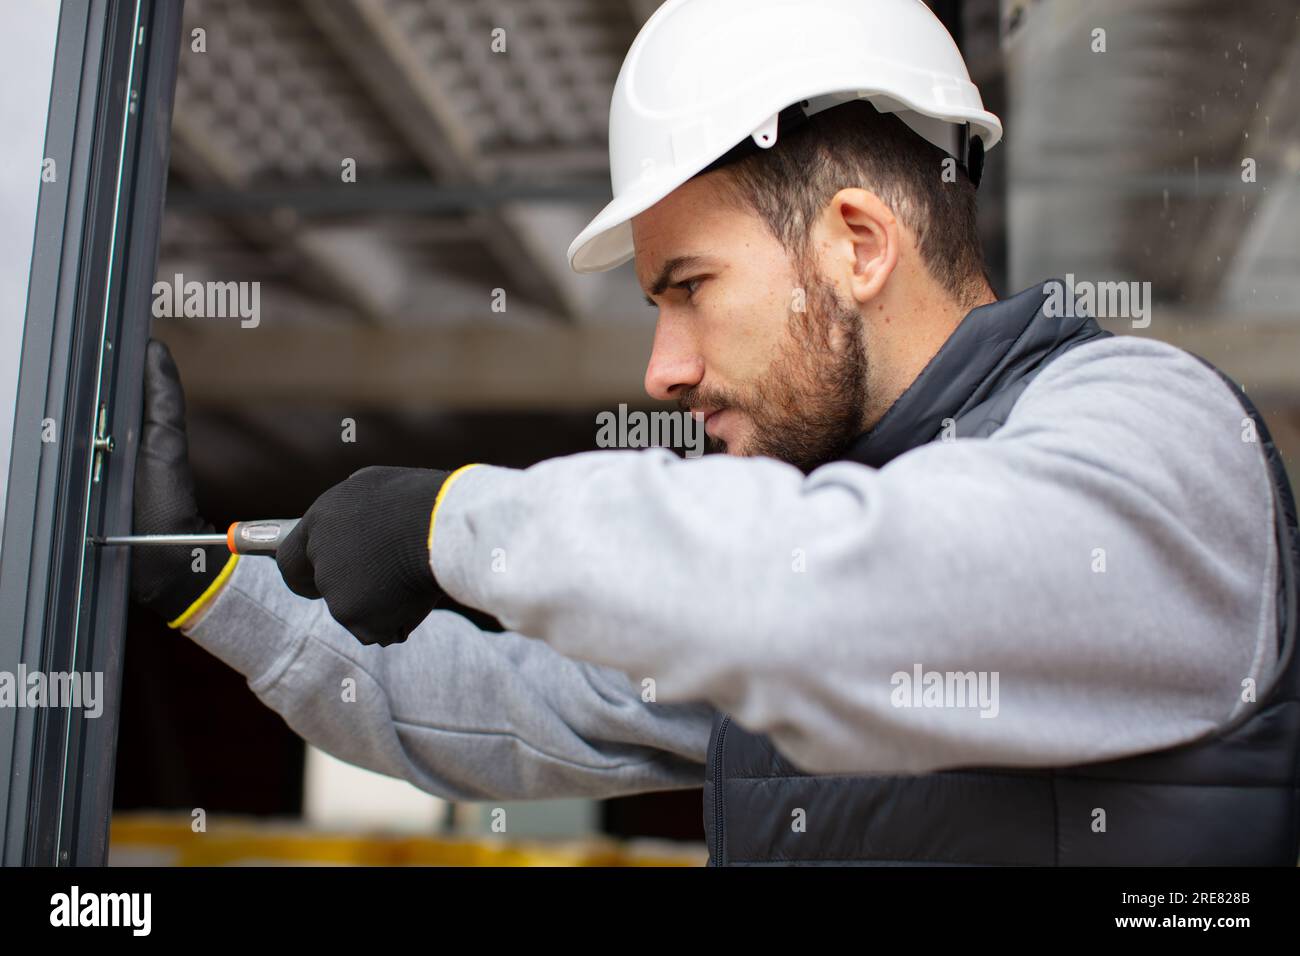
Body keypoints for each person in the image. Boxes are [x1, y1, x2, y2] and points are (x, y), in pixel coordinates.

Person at [131, 0, 1298, 865]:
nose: (664, 369)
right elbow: (499, 698)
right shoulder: (791, 575)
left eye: (688, 285)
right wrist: (205, 578)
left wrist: (456, 519)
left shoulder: (1155, 431)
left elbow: (851, 582)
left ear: (855, 243)